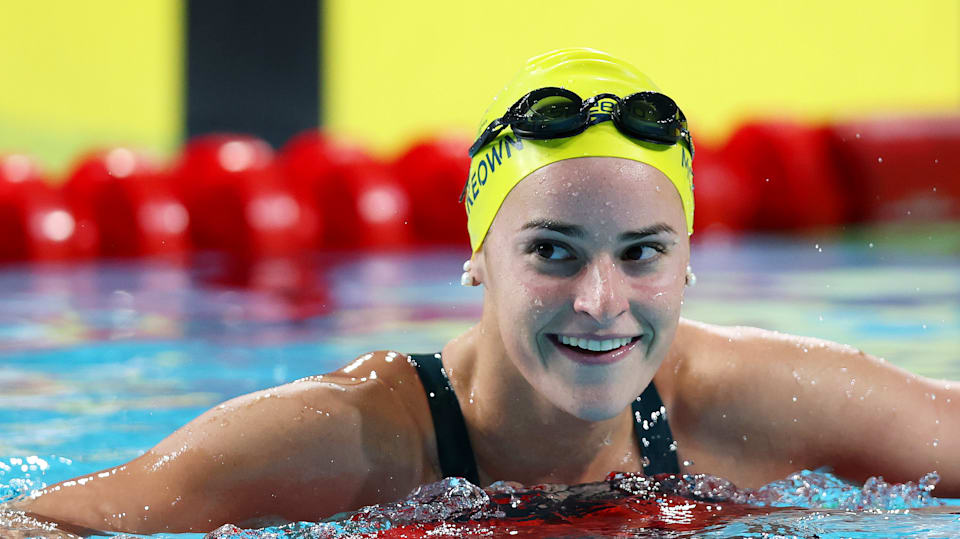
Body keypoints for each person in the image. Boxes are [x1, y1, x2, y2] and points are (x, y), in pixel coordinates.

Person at [12, 48, 960, 535]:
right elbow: (44, 522)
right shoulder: (354, 436)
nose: (601, 299)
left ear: (687, 262)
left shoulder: (749, 399)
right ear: (477, 256)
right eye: (552, 251)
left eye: (642, 253)